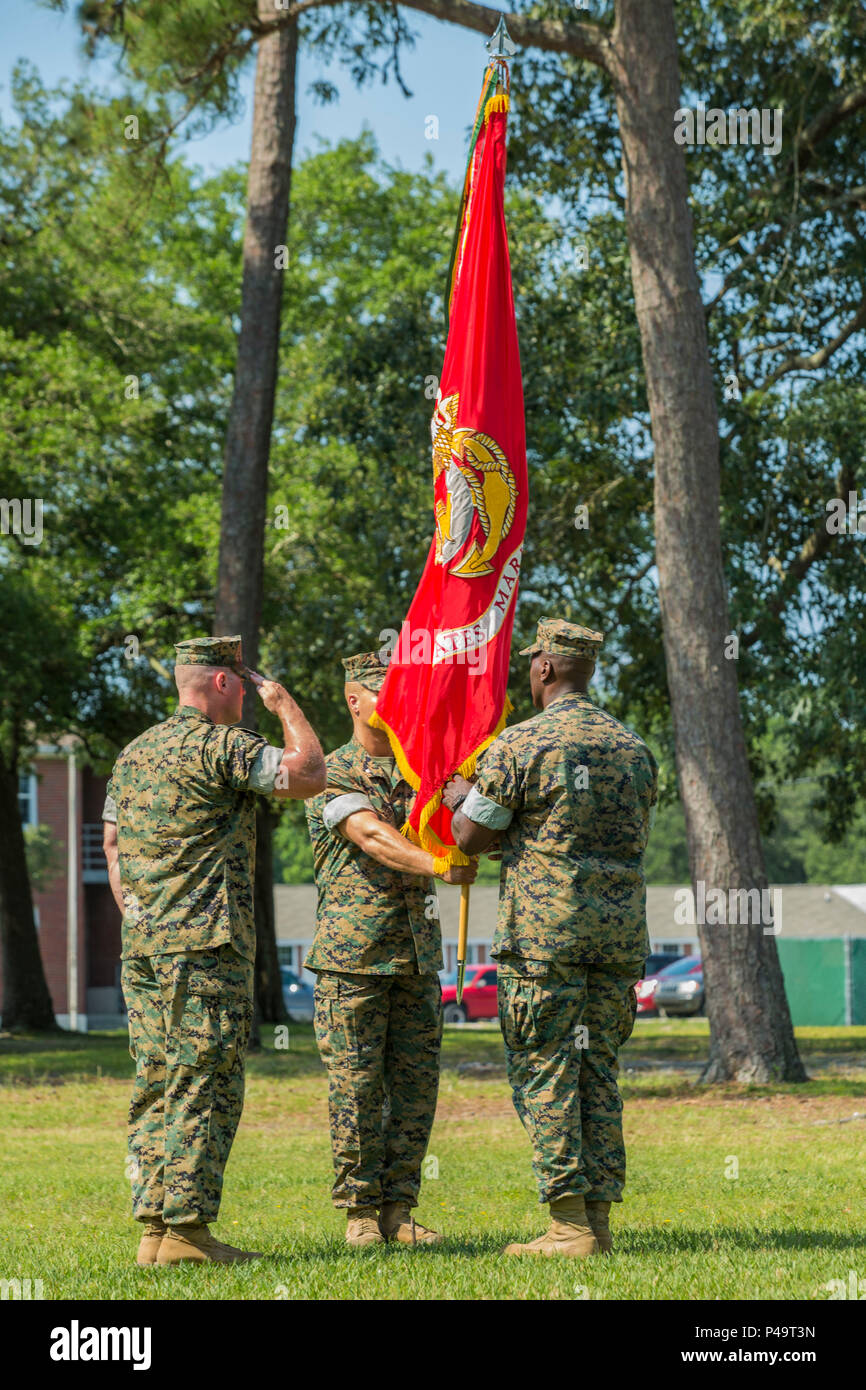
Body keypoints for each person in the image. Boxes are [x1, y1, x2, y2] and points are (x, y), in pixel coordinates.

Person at [102, 635, 325, 1266]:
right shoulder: (223, 746)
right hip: (205, 948)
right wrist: (285, 706)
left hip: (143, 947)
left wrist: (142, 916)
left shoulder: (134, 753)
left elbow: (113, 846)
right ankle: (189, 1232)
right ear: (224, 684)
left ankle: (155, 1228)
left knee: (155, 1080)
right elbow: (308, 774)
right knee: (206, 1079)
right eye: (245, 685)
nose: (250, 698)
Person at [443, 618, 657, 1259]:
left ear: (543, 669)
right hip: (616, 942)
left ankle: (568, 1226)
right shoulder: (635, 748)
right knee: (599, 1073)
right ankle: (598, 1221)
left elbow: (468, 837)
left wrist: (462, 796)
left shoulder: (520, 746)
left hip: (545, 940)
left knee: (547, 1072)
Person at [304, 650, 477, 1248]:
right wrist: (439, 865)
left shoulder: (425, 773)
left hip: (416, 956)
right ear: (354, 699)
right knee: (355, 1086)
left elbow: (471, 822)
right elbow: (370, 834)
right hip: (353, 959)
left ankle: (400, 1211)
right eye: (386, 693)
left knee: (414, 1087)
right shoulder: (329, 770)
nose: (401, 706)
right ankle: (358, 1212)